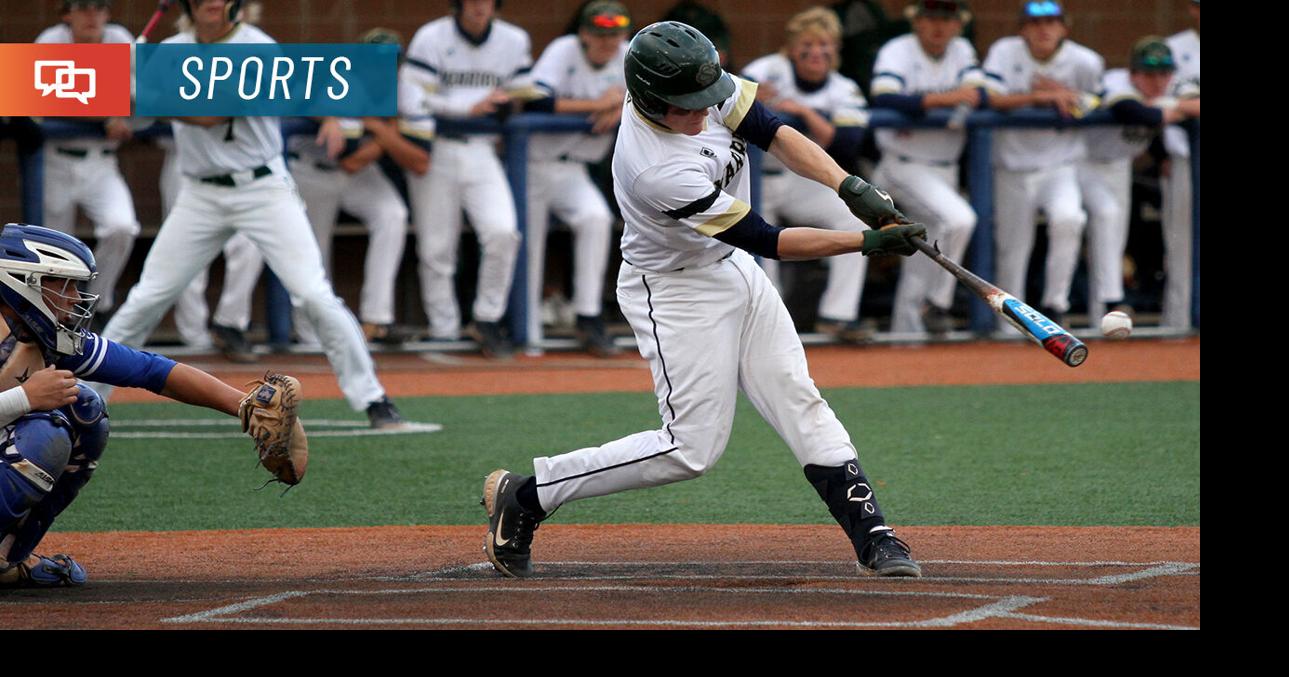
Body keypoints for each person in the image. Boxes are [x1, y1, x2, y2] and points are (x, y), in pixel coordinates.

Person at [482, 22, 927, 580]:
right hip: (674, 289)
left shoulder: (694, 80)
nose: (702, 114)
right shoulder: (655, 169)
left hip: (733, 269)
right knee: (691, 449)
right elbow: (769, 239)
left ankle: (874, 535)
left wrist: (850, 188)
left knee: (798, 397)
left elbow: (774, 132)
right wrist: (866, 242)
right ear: (648, 98)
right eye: (686, 108)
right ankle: (528, 495)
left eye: (705, 101)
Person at [97, 0, 405, 428]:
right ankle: (88, 398)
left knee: (313, 293)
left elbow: (208, 114)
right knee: (149, 296)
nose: (213, 3)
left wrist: (142, 87)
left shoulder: (255, 46)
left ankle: (374, 398)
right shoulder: (170, 49)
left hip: (263, 188)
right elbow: (138, 118)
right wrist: (122, 95)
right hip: (200, 192)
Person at [0, 224, 284, 587]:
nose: (74, 297)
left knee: (84, 409)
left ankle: (7, 556)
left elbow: (151, 371)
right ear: (22, 280)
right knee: (44, 433)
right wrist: (26, 398)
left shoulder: (40, 333)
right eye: (63, 284)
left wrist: (248, 407)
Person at [398, 0, 533, 358]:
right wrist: (465, 107)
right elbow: (411, 98)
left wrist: (507, 103)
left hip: (482, 149)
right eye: (471, 1)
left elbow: (525, 93)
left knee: (504, 231)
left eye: (485, 1)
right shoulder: (431, 36)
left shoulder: (513, 39)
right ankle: (444, 329)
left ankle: (487, 319)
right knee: (437, 247)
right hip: (437, 147)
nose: (479, 7)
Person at [742, 6, 874, 342]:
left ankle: (838, 316)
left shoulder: (844, 88)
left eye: (824, 44)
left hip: (802, 180)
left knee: (855, 221)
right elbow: (732, 108)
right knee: (756, 241)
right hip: (754, 177)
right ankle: (768, 326)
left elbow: (847, 145)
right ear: (791, 48)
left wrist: (799, 111)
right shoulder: (766, 69)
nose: (816, 52)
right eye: (807, 44)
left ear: (835, 51)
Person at [979, 0, 1103, 328]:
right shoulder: (1005, 51)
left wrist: (1065, 93)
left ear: (1064, 26)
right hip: (1013, 166)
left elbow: (1099, 104)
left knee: (1069, 219)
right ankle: (1011, 325)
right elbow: (990, 98)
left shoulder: (1084, 60)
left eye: (1051, 22)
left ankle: (1055, 305)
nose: (1043, 29)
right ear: (1023, 29)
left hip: (1059, 164)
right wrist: (1041, 97)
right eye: (1035, 23)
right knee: (1013, 249)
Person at [522, 0, 631, 357]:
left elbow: (656, 97)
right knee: (530, 245)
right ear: (584, 33)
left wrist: (621, 106)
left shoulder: (627, 54)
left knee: (595, 218)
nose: (607, 41)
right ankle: (525, 331)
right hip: (533, 163)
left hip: (574, 168)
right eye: (600, 33)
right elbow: (535, 100)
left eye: (614, 34)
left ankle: (588, 316)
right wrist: (597, 105)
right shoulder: (564, 49)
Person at [869, 0, 982, 337]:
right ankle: (938, 303)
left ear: (958, 25)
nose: (938, 26)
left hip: (944, 168)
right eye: (931, 17)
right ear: (916, 21)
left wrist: (928, 101)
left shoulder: (962, 49)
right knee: (960, 219)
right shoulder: (898, 50)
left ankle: (907, 343)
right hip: (903, 164)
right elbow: (885, 97)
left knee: (923, 254)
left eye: (946, 19)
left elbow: (980, 95)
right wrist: (946, 98)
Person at [34, 1, 140, 327]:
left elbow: (143, 91)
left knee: (121, 226)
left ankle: (94, 305)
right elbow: (47, 93)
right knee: (54, 252)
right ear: (67, 13)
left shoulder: (121, 38)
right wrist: (108, 107)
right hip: (57, 160)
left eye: (100, 7)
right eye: (82, 7)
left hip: (100, 162)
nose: (92, 15)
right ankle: (52, 322)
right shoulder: (51, 40)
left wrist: (125, 111)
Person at [1079, 38, 1199, 322]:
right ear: (1133, 73)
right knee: (1081, 225)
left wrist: (1161, 153)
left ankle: (1105, 315)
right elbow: (1132, 112)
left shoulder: (1173, 87)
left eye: (1163, 74)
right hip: (1082, 163)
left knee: (1113, 237)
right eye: (1148, 74)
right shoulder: (1116, 80)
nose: (1157, 81)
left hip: (1119, 166)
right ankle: (1102, 304)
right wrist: (1168, 111)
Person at [1161, 0, 1200, 329]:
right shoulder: (1173, 49)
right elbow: (1171, 104)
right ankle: (1177, 328)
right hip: (1187, 161)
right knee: (1181, 248)